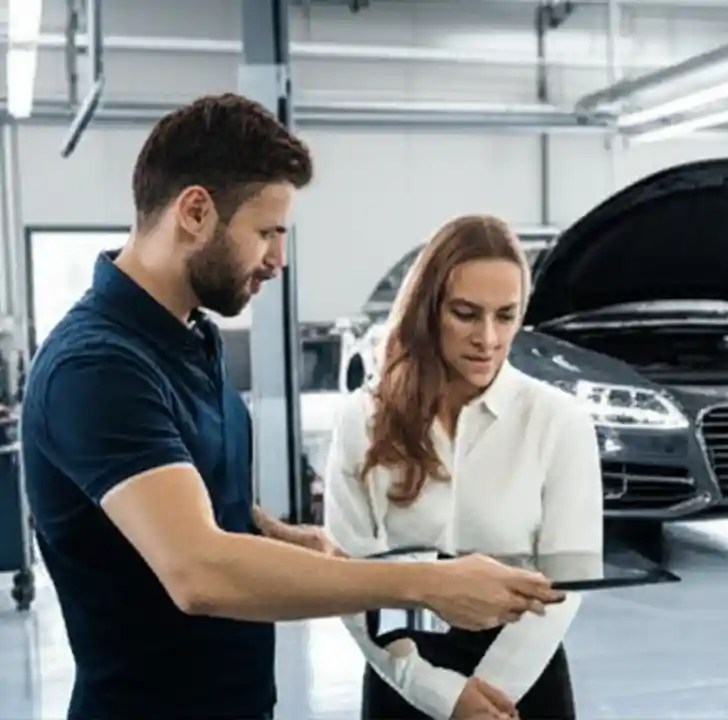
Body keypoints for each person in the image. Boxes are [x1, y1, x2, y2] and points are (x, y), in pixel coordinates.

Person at [19, 94, 563, 720]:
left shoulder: (189, 337)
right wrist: (431, 585)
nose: (278, 259)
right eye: (266, 232)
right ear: (195, 211)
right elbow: (200, 572)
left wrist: (261, 531)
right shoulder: (98, 368)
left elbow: (173, 500)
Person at [323, 214, 604, 720]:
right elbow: (348, 579)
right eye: (466, 314)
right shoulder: (362, 420)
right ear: (428, 310)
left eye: (506, 315)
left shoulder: (560, 423)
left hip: (521, 681)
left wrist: (488, 697)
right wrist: (438, 693)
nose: (488, 338)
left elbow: (566, 583)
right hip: (402, 671)